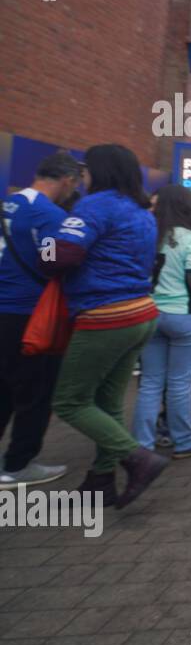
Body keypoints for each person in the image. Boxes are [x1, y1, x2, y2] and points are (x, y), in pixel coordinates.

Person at [47, 144, 168, 508]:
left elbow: (63, 253)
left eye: (85, 168)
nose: (82, 175)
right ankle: (100, 479)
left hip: (105, 315)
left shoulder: (94, 205)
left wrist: (41, 250)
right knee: (108, 401)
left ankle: (137, 458)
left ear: (99, 171)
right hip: (141, 313)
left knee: (69, 401)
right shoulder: (142, 212)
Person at [0, 151, 84, 488]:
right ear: (67, 181)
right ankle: (19, 464)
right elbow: (53, 262)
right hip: (30, 313)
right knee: (36, 391)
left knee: (3, 388)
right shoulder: (48, 215)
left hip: (3, 307)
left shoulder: (9, 203)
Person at [131, 185, 191, 459]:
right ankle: (184, 441)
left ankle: (142, 444)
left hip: (150, 313)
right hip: (185, 315)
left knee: (151, 382)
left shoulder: (148, 235)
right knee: (179, 382)